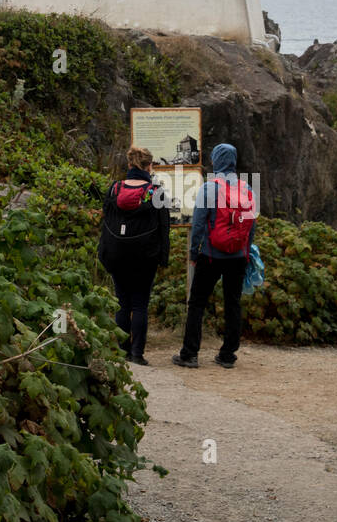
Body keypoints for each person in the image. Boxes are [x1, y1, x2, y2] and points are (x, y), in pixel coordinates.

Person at [173, 143, 257, 370]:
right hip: (238, 257)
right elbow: (252, 226)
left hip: (211, 255)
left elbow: (199, 224)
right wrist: (246, 252)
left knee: (197, 303)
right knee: (233, 303)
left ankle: (190, 354)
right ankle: (228, 354)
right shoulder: (247, 188)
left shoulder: (209, 188)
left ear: (216, 160)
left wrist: (193, 253)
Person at [98, 146, 170, 366]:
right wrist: (163, 258)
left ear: (129, 165)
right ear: (150, 167)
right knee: (140, 305)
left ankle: (122, 351)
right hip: (145, 257)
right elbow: (163, 228)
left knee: (122, 302)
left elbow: (105, 221)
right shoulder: (155, 193)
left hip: (117, 255)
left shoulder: (115, 188)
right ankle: (137, 353)